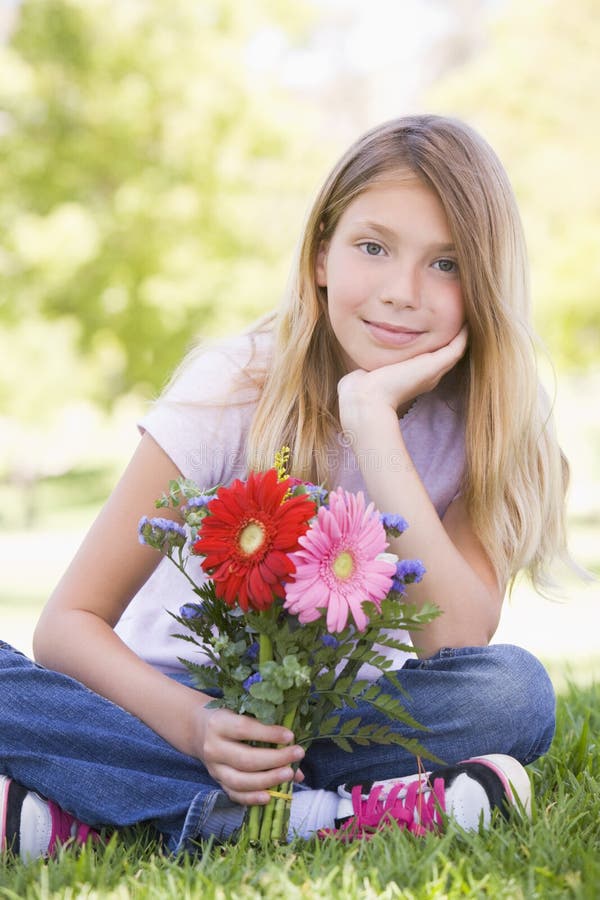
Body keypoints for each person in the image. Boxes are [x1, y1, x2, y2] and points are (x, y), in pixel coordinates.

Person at [1, 114, 567, 860]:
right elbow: (67, 625)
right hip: (159, 706)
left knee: (513, 693)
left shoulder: (483, 427)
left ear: (485, 283)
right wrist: (196, 727)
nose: (403, 292)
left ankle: (100, 811)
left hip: (328, 727)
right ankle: (321, 815)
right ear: (322, 252)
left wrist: (371, 420)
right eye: (373, 247)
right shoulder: (236, 385)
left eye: (447, 264)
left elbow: (455, 642)